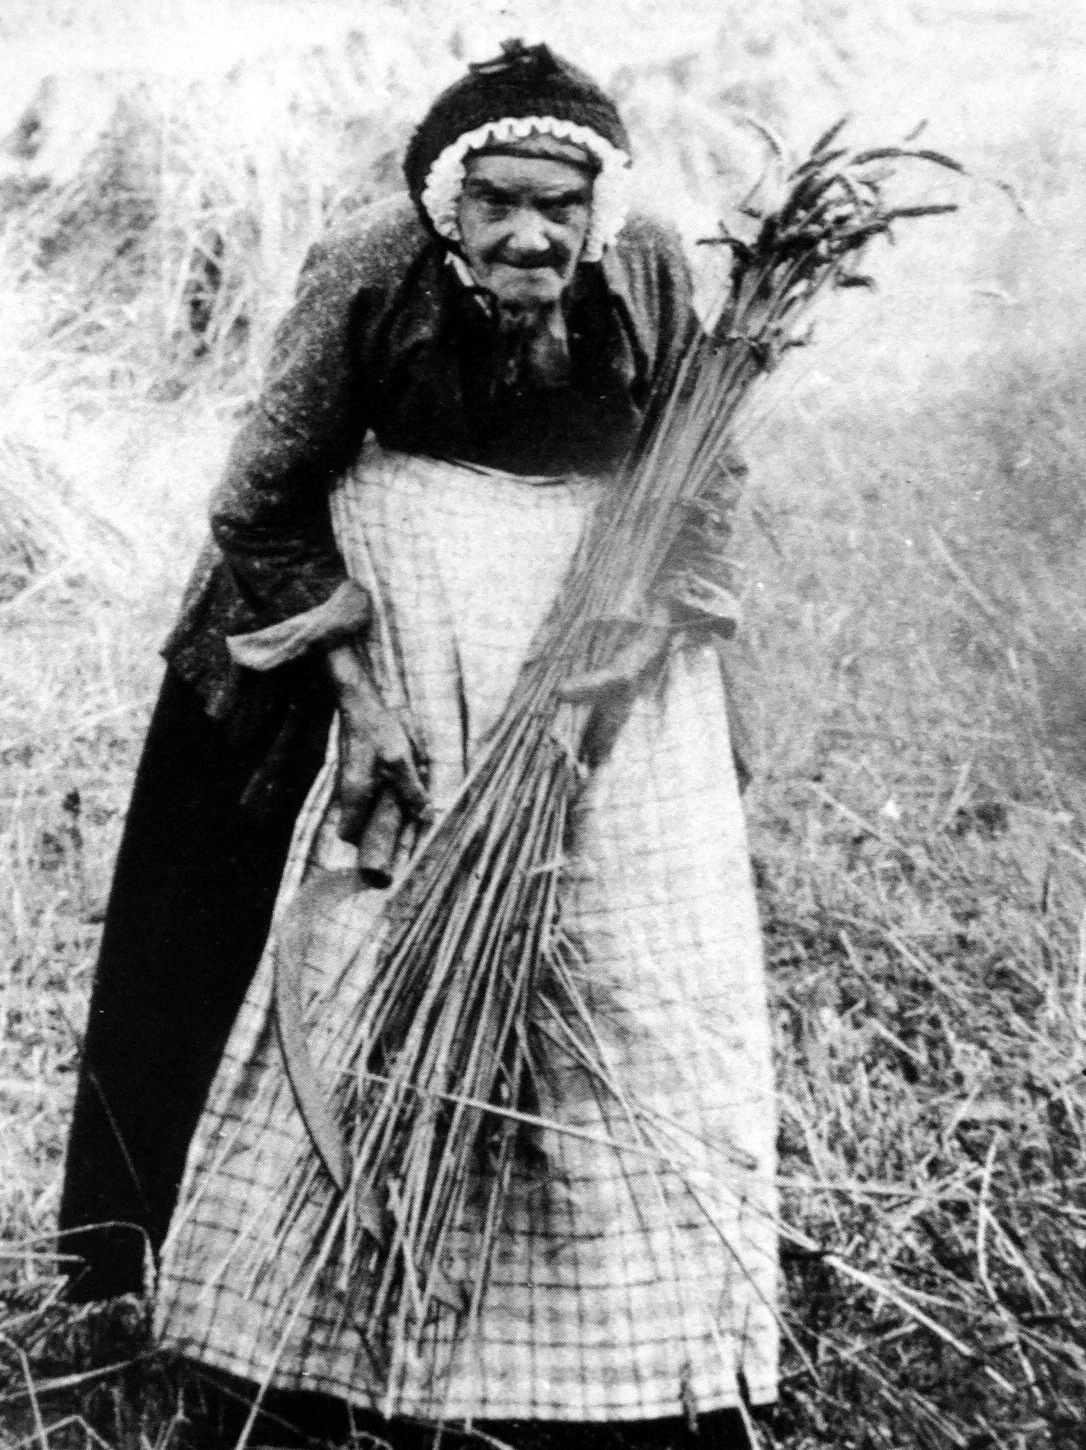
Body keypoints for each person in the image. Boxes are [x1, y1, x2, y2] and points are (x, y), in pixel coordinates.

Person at [59, 40, 776, 1449]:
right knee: (308, 929)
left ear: (596, 208)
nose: (529, 234)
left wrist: (616, 649)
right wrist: (363, 703)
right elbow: (256, 507)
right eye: (498, 202)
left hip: (575, 638)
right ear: (447, 209)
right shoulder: (366, 269)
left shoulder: (641, 269)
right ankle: (170, 1275)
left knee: (626, 947)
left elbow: (699, 478)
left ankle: (624, 1333)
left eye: (556, 208)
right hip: (359, 614)